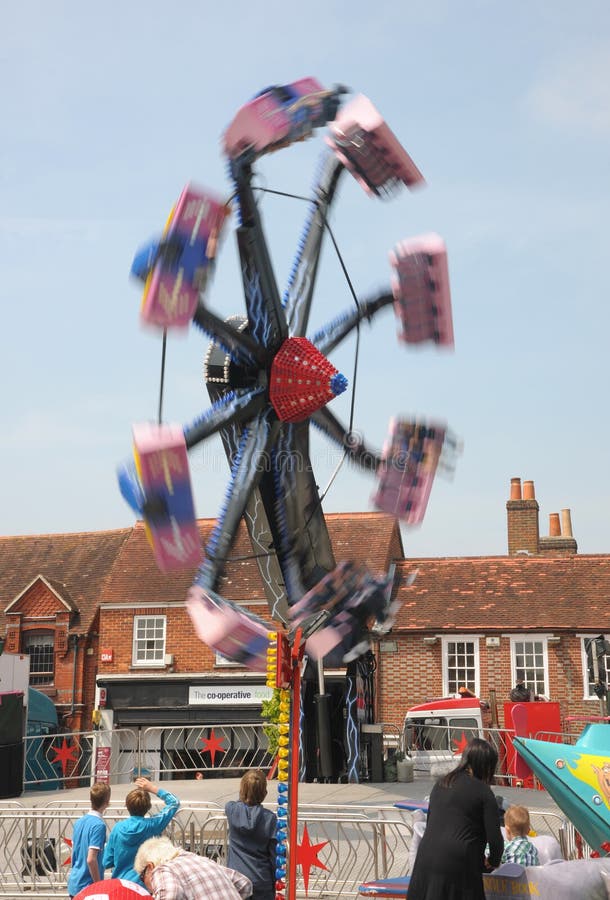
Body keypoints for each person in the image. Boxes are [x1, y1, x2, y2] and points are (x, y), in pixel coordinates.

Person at [407, 738, 504, 900]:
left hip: (426, 858)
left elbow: (432, 822)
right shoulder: (483, 792)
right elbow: (495, 839)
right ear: (486, 766)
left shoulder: (442, 783)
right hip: (459, 864)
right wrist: (493, 861)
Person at [103, 776, 180, 886]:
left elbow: (106, 861)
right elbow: (174, 802)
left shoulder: (117, 829)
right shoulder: (153, 825)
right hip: (145, 885)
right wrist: (152, 788)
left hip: (121, 884)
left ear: (127, 806)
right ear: (148, 807)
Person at [134, 835, 252, 899]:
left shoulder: (162, 869)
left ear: (150, 867)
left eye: (142, 877)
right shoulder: (203, 860)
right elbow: (244, 883)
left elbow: (171, 895)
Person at [225, 769, 277, 900]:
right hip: (261, 880)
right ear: (264, 793)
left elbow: (238, 802)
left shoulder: (231, 809)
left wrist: (246, 794)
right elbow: (273, 856)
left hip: (236, 879)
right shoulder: (270, 818)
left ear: (242, 789)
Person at [67, 781, 112, 898]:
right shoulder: (99, 825)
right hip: (88, 886)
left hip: (75, 882)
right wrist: (98, 885)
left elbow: (74, 853)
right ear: (107, 802)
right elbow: (91, 859)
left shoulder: (79, 821)